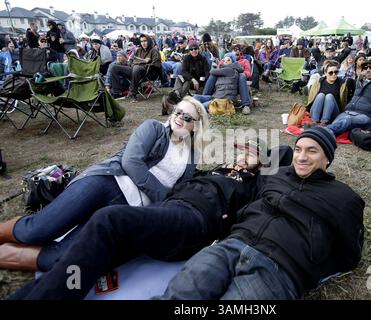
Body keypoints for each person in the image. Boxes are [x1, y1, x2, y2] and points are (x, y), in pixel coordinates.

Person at [8, 141, 294, 300]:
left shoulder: (254, 186)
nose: (244, 156)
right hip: (167, 213)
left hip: (193, 221)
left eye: (253, 154)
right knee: (90, 256)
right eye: (244, 152)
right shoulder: (217, 170)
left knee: (109, 220)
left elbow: (284, 155)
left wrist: (262, 163)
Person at [151, 127, 365, 300]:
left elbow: (349, 254)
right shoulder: (277, 175)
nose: (301, 157)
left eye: (312, 151)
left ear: (327, 158)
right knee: (181, 294)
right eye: (298, 149)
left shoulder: (344, 198)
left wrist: (308, 266)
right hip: (233, 245)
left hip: (279, 268)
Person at [0, 97, 209, 272]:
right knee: (38, 230)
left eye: (188, 117)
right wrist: (161, 196)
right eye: (178, 111)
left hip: (126, 211)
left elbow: (181, 189)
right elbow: (131, 162)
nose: (180, 117)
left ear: (196, 126)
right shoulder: (154, 128)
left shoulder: (192, 157)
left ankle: (8, 255)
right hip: (106, 182)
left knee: (63, 258)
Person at [326, 56, 371, 136]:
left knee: (346, 120)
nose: (368, 70)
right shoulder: (360, 80)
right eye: (365, 67)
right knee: (339, 122)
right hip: (348, 112)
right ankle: (324, 133)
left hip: (366, 116)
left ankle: (321, 133)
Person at [110, 34, 162, 102]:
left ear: (149, 41)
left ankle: (133, 94)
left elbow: (156, 64)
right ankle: (117, 93)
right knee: (114, 67)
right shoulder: (139, 50)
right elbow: (132, 60)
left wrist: (145, 62)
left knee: (137, 68)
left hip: (147, 72)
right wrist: (132, 63)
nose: (143, 43)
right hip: (134, 69)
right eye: (141, 41)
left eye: (145, 41)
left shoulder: (154, 50)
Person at [306, 60, 351, 126]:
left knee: (329, 96)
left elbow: (344, 101)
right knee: (320, 95)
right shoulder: (319, 82)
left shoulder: (342, 83)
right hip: (317, 110)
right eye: (331, 73)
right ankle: (314, 121)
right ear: (325, 73)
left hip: (333, 112)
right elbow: (311, 98)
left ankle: (324, 122)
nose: (334, 74)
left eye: (336, 72)